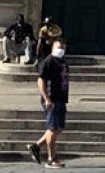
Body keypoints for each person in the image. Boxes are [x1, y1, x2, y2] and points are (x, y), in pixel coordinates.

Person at [30, 36, 69, 167]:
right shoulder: (48, 61)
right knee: (52, 128)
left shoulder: (63, 62)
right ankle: (51, 159)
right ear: (53, 48)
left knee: (59, 127)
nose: (61, 50)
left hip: (62, 99)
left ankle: (36, 146)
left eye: (63, 48)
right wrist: (46, 98)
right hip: (51, 99)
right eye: (59, 47)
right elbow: (41, 81)